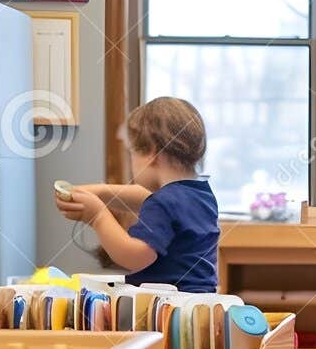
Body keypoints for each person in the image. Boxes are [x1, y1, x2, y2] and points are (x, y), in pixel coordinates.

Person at [57, 97, 219, 293]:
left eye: (132, 152)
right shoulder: (200, 194)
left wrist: (97, 216)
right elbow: (146, 198)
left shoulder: (163, 202)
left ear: (151, 153)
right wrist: (99, 192)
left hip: (168, 309)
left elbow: (136, 257)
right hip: (200, 302)